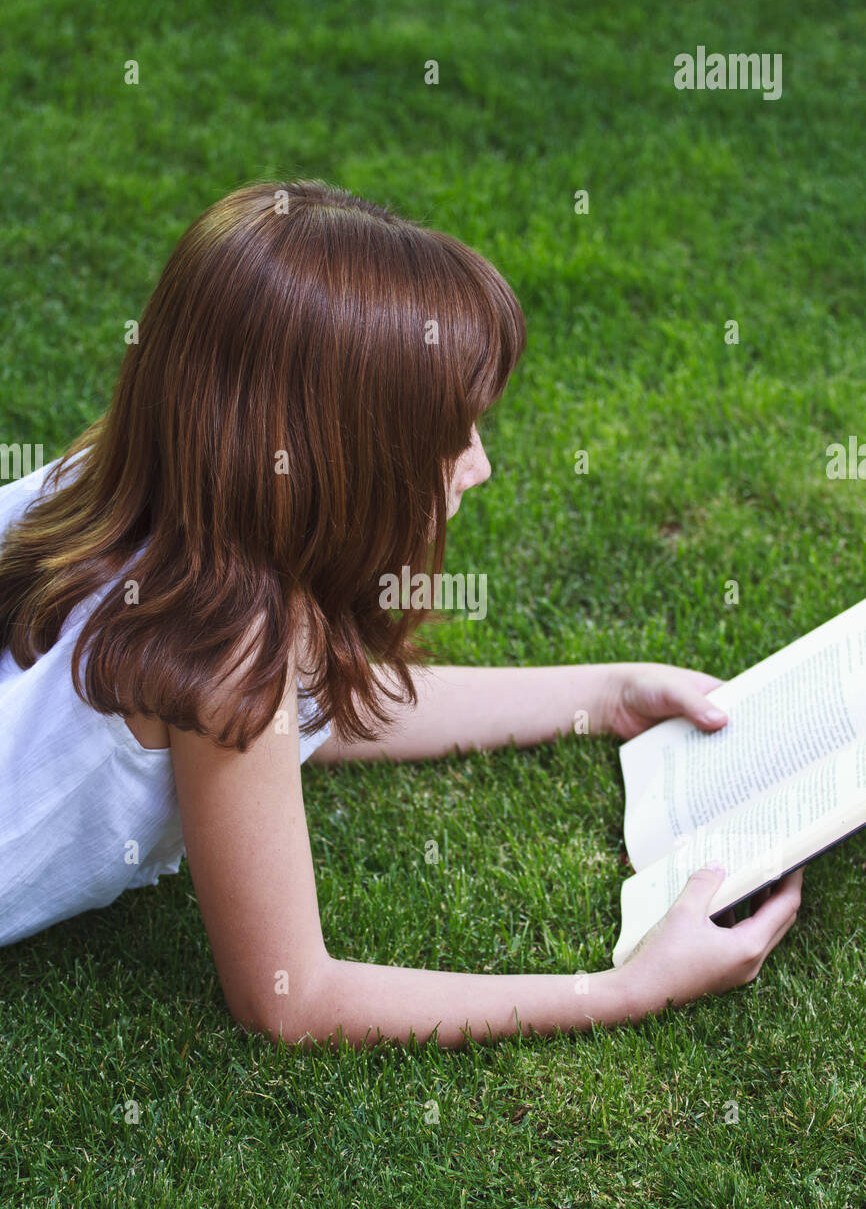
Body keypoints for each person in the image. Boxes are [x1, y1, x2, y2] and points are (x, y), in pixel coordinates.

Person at [0, 178, 802, 1048]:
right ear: (333, 460)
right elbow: (292, 997)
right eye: (453, 435)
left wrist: (606, 695)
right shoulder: (232, 648)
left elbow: (314, 714)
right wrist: (630, 986)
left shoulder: (129, 494)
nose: (480, 466)